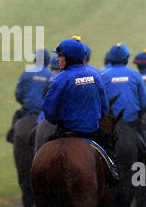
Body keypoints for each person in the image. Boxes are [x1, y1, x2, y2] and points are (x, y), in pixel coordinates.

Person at [41, 39, 118, 181]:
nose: (57, 59)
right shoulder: (95, 76)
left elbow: (49, 111)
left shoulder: (60, 79)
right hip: (92, 134)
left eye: (60, 56)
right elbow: (104, 109)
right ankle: (113, 173)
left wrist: (58, 119)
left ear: (69, 58)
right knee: (109, 161)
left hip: (65, 132)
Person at [99, 43, 146, 159]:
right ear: (126, 58)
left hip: (109, 126)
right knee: (144, 154)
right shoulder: (135, 74)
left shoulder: (102, 75)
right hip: (131, 123)